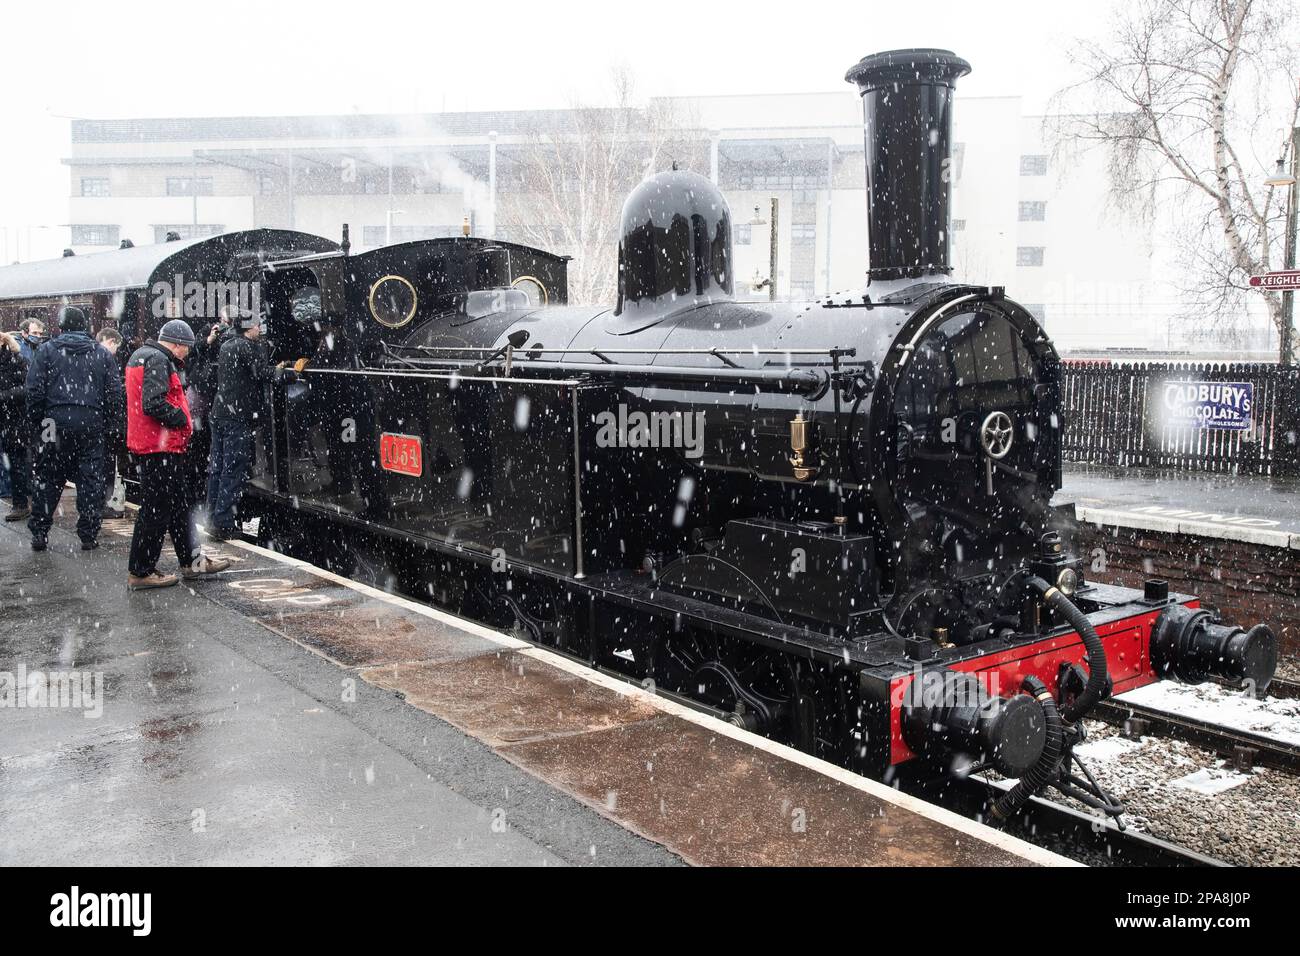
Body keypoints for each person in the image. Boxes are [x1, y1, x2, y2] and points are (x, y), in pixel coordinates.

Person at [125, 319, 229, 589]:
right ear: (176, 344)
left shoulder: (142, 356)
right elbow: (153, 402)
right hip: (160, 447)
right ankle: (141, 570)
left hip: (155, 445)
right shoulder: (158, 360)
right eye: (186, 348)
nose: (186, 354)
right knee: (156, 510)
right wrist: (182, 419)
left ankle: (192, 561)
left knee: (179, 507)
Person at [25, 307, 123, 551]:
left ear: (61, 326)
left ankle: (39, 532)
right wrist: (107, 423)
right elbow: (114, 393)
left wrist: (38, 421)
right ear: (85, 325)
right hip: (91, 423)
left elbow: (34, 390)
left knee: (48, 477)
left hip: (53, 423)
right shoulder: (101, 354)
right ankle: (88, 534)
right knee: (90, 479)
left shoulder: (47, 351)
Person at [206, 314, 272, 539]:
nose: (259, 329)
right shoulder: (246, 347)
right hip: (237, 415)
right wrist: (286, 373)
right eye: (256, 325)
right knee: (233, 468)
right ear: (248, 328)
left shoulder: (227, 345)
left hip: (220, 411)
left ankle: (211, 515)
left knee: (217, 467)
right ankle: (222, 522)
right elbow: (262, 373)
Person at [96, 328, 127, 519]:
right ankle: (101, 505)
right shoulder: (104, 359)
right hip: (105, 422)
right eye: (115, 346)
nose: (116, 351)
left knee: (98, 465)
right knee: (105, 465)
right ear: (109, 341)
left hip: (95, 420)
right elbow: (112, 393)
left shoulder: (90, 356)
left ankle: (96, 505)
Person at [0, 331, 31, 521]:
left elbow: (26, 389)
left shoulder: (17, 360)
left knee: (16, 464)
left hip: (14, 420)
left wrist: (3, 397)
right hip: (9, 419)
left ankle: (20, 504)